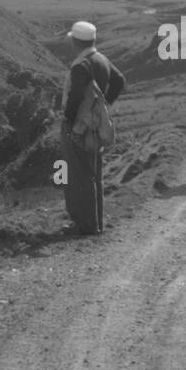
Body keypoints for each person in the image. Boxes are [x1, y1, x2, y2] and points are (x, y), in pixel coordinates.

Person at [61, 20, 126, 234]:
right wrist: (103, 106)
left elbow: (76, 96)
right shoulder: (101, 59)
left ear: (75, 42)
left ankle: (87, 226)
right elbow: (119, 81)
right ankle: (96, 222)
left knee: (80, 176)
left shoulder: (81, 65)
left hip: (81, 127)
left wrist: (71, 120)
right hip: (96, 127)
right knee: (94, 174)